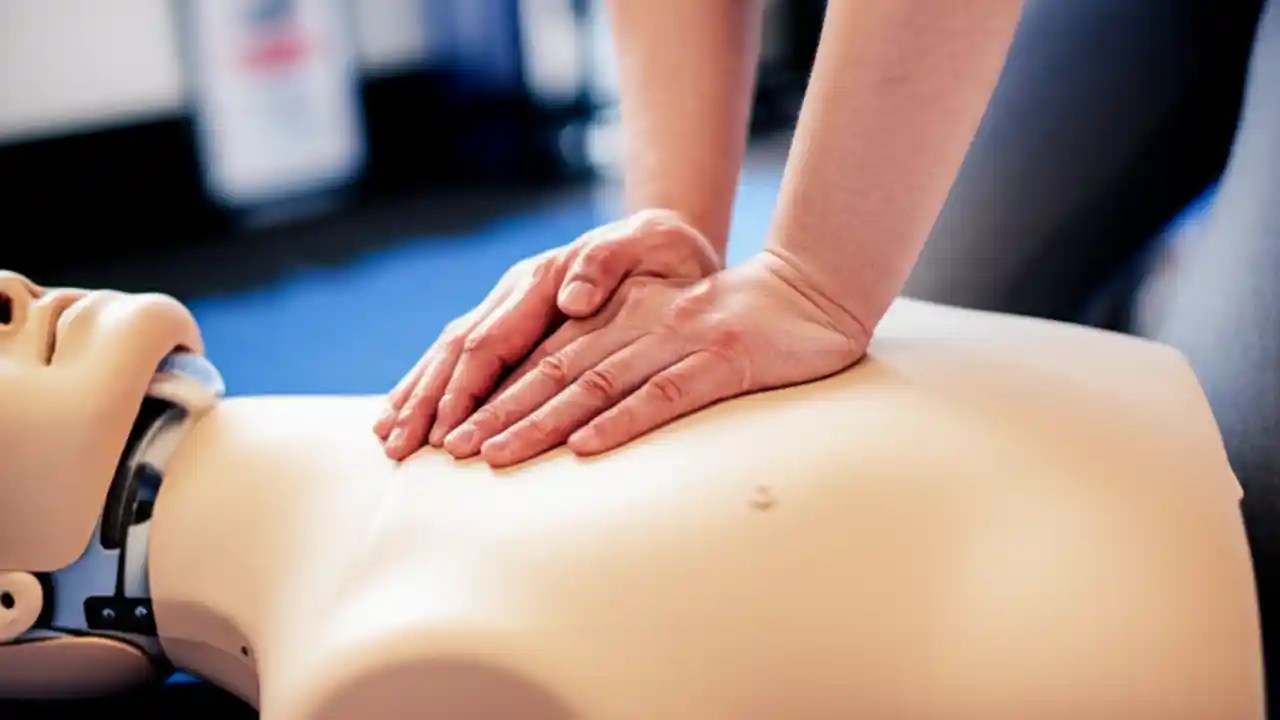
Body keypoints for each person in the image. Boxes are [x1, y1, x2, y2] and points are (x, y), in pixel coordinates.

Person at [0, 271, 1263, 718]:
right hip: (1200, 546)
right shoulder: (392, 675)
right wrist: (812, 277)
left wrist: (731, 250)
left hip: (1078, 429)